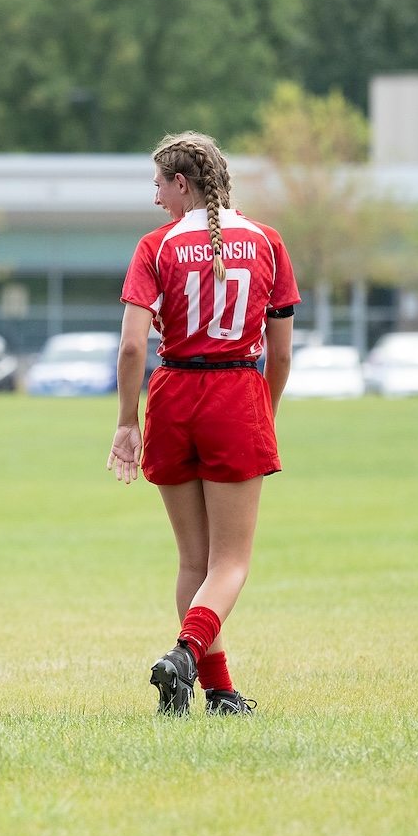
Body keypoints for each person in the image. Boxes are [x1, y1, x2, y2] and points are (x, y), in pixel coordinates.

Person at [108, 131, 297, 716]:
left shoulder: (156, 247)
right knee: (230, 562)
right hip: (236, 392)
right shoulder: (266, 241)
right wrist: (261, 414)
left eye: (159, 184)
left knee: (193, 560)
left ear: (181, 183)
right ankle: (185, 655)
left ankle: (216, 692)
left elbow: (133, 349)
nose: (156, 197)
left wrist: (126, 422)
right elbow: (283, 354)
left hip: (172, 395)